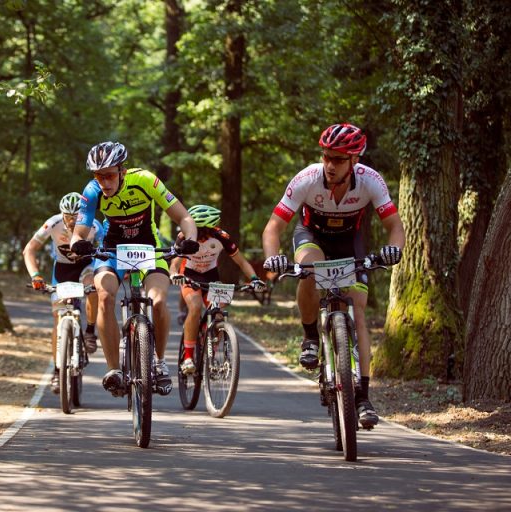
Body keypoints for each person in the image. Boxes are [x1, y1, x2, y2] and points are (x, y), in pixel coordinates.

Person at [261, 123, 405, 428]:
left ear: (355, 160)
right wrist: (273, 257)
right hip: (311, 235)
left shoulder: (371, 181)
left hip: (348, 244)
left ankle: (363, 397)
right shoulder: (307, 178)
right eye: (327, 156)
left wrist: (393, 249)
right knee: (309, 272)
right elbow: (273, 227)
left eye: (338, 159)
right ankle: (311, 337)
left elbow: (395, 227)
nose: (329, 164)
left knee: (359, 311)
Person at [70, 141, 199, 397]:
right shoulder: (91, 191)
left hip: (149, 249)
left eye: (108, 175)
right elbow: (79, 231)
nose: (104, 182)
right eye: (98, 175)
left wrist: (190, 238)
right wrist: (78, 243)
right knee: (105, 295)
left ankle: (159, 363)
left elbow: (183, 217)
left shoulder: (145, 180)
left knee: (159, 301)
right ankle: (114, 370)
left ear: (122, 171)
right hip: (112, 250)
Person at [23, 192, 104, 394]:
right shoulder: (53, 223)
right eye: (68, 215)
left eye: (76, 216)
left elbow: (106, 251)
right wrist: (35, 276)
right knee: (58, 319)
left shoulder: (94, 226)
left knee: (92, 288)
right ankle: (58, 371)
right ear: (61, 214)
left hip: (85, 267)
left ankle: (90, 332)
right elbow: (29, 250)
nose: (71, 220)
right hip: (62, 269)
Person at [169, 205, 264, 375]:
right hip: (190, 277)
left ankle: (211, 347)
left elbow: (242, 262)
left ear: (212, 228)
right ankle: (188, 357)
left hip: (211, 278)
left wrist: (255, 279)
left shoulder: (222, 237)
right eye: (198, 230)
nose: (200, 234)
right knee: (195, 306)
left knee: (219, 312)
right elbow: (175, 263)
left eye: (204, 230)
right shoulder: (184, 236)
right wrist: (174, 274)